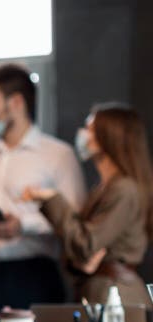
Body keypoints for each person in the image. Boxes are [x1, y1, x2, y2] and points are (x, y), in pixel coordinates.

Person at [0, 63, 87, 322]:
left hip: (34, 272)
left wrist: (23, 225)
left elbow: (75, 220)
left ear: (15, 102)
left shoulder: (57, 154)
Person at [23, 103, 153, 307]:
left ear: (109, 136)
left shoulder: (124, 190)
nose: (82, 134)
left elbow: (85, 243)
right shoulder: (105, 188)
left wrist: (52, 199)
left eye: (90, 128)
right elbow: (83, 249)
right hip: (100, 292)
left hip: (115, 297)